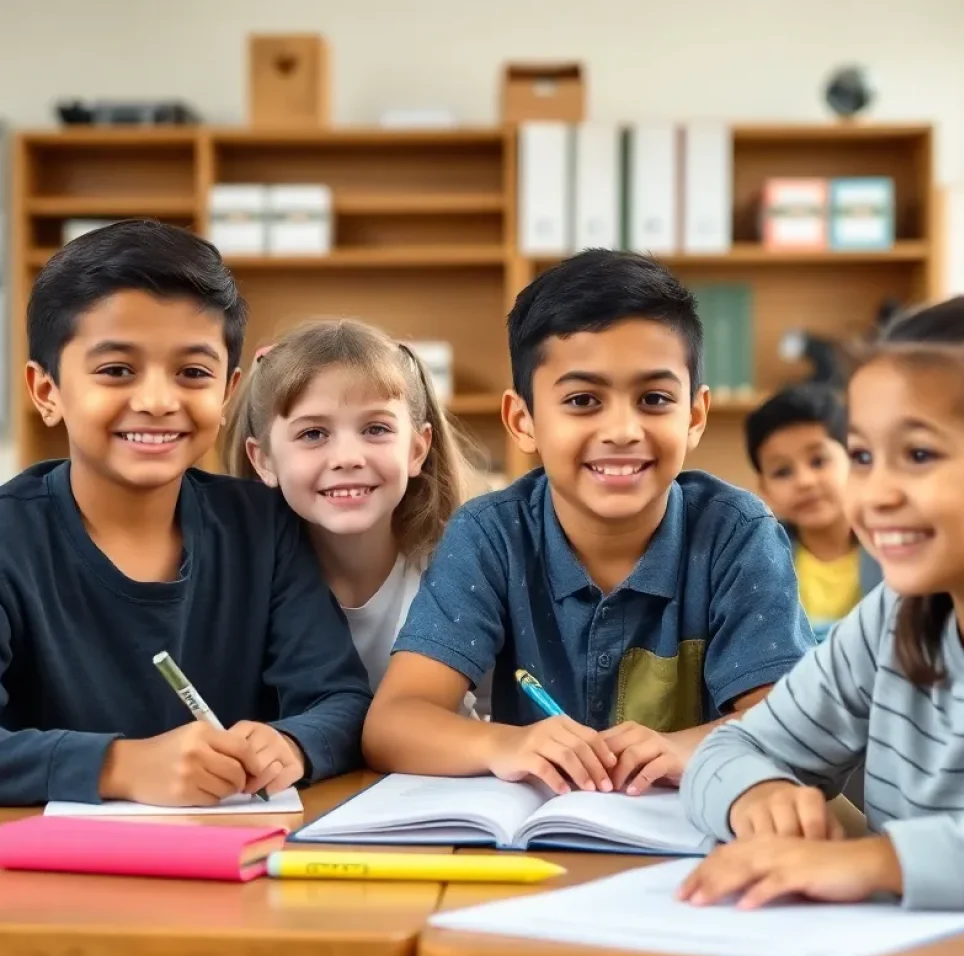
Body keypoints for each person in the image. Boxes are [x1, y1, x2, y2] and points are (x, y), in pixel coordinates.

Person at [362, 249, 814, 796]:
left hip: (686, 849)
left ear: (694, 416)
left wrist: (681, 748)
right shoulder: (491, 535)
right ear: (522, 421)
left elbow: (794, 726)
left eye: (653, 399)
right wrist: (504, 745)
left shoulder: (737, 534)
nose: (622, 429)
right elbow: (393, 723)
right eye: (582, 400)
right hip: (535, 844)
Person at [0, 219, 372, 807]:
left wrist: (292, 744)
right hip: (43, 874)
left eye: (193, 373)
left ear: (227, 393)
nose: (156, 401)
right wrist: (119, 766)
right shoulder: (10, 539)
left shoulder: (263, 526)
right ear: (46, 391)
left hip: (233, 857)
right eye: (116, 370)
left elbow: (340, 700)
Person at [680, 294, 964, 916]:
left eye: (919, 454)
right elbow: (729, 752)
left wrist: (875, 861)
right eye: (863, 456)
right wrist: (756, 794)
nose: (875, 495)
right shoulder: (891, 618)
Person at [223, 318, 488, 713]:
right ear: (263, 459)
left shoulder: (463, 568)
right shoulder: (237, 580)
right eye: (313, 434)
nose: (348, 458)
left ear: (417, 449)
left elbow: (494, 711)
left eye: (376, 429)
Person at [745, 384, 881, 641]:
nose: (804, 481)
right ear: (765, 489)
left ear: (856, 459)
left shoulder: (891, 548)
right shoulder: (760, 560)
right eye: (782, 472)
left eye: (818, 461)